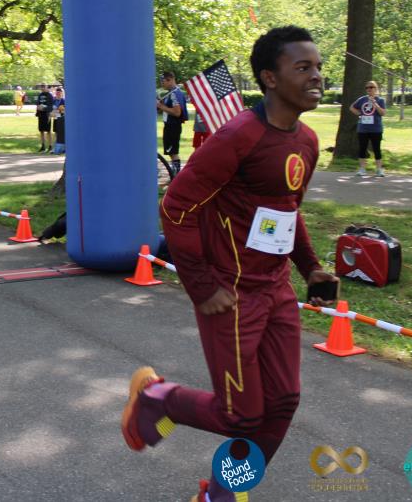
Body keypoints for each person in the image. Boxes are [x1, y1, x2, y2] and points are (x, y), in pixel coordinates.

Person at [123, 26, 340, 502]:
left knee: (282, 402)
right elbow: (176, 207)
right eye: (302, 68)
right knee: (239, 414)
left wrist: (311, 268)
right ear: (269, 78)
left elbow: (287, 209)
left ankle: (220, 494)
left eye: (318, 67)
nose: (316, 77)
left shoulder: (306, 140)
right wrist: (201, 285)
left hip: (277, 289)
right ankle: (158, 398)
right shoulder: (238, 136)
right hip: (231, 294)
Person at [349, 80, 386, 176]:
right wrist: (358, 113)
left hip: (376, 129)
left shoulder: (380, 100)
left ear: (376, 89)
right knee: (362, 148)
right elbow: (352, 107)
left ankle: (379, 169)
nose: (369, 89)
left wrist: (375, 104)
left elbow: (383, 113)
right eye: (367, 88)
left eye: (371, 87)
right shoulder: (362, 99)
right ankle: (362, 169)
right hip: (363, 129)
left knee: (377, 149)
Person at [156, 71, 188, 175]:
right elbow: (167, 110)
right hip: (169, 125)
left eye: (163, 81)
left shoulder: (175, 94)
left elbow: (177, 112)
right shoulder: (170, 93)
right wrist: (160, 106)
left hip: (173, 126)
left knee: (173, 152)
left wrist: (161, 107)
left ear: (170, 79)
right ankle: (175, 174)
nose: (162, 84)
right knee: (171, 152)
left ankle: (176, 175)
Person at [35, 84, 55, 152]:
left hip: (47, 115)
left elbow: (52, 106)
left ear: (47, 87)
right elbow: (37, 103)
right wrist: (38, 107)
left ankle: (50, 146)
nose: (42, 88)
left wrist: (44, 108)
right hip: (41, 115)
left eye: (44, 87)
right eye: (42, 87)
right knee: (41, 131)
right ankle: (43, 146)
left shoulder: (50, 95)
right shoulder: (40, 95)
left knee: (48, 131)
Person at [52, 88, 66, 154]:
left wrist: (58, 111)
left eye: (59, 93)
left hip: (62, 120)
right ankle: (56, 147)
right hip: (55, 119)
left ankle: (64, 148)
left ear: (62, 93)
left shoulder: (64, 101)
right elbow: (52, 110)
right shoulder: (54, 101)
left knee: (63, 133)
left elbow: (64, 111)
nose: (58, 94)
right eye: (57, 93)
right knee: (56, 132)